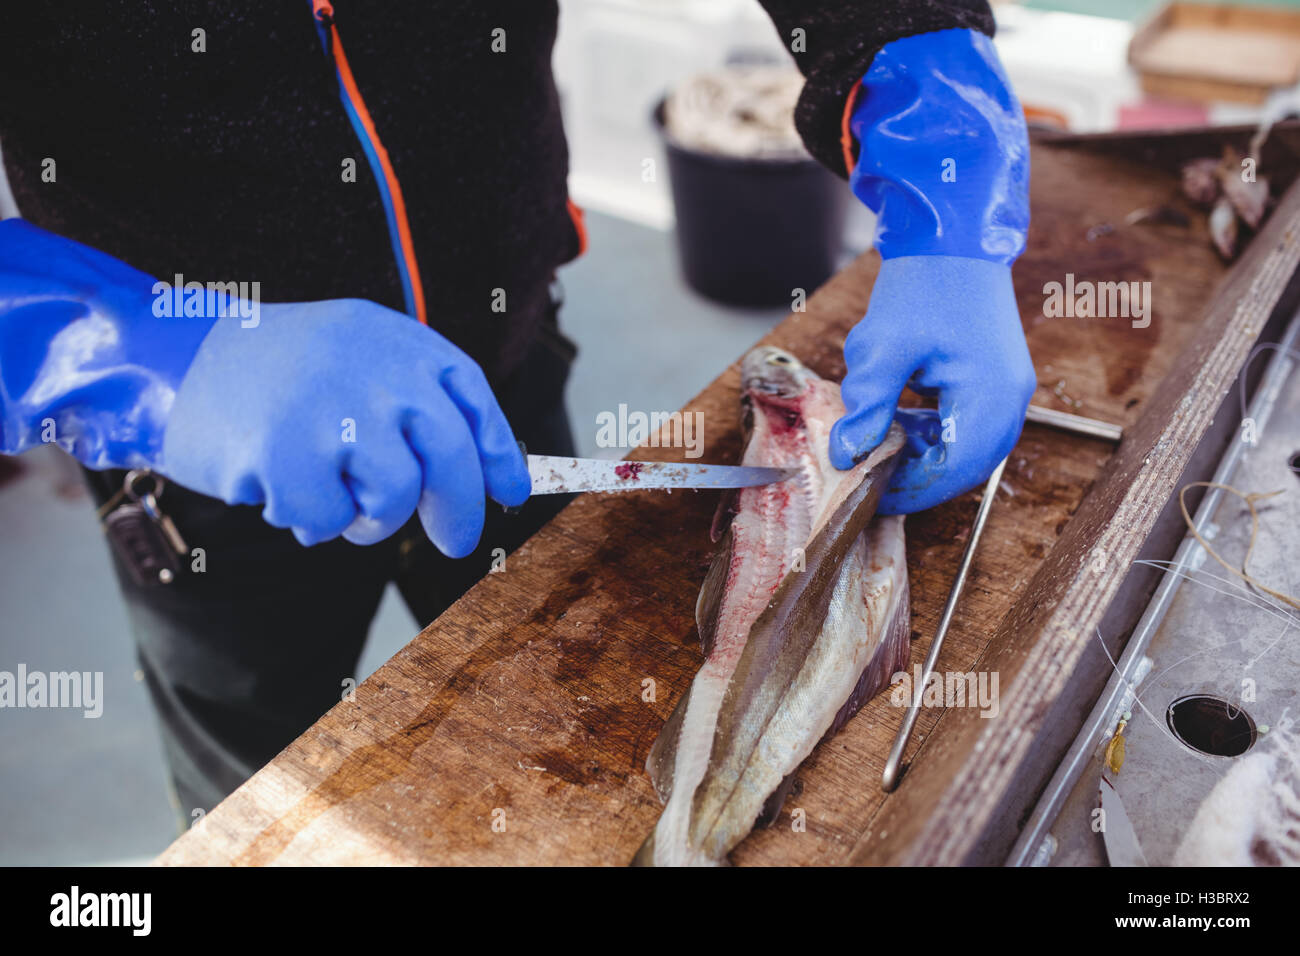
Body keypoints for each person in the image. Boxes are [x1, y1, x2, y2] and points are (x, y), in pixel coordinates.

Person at [0, 1, 1032, 821]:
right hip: (205, 472)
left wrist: (947, 169)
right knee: (255, 789)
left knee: (577, 714)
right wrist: (145, 357)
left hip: (505, 381)